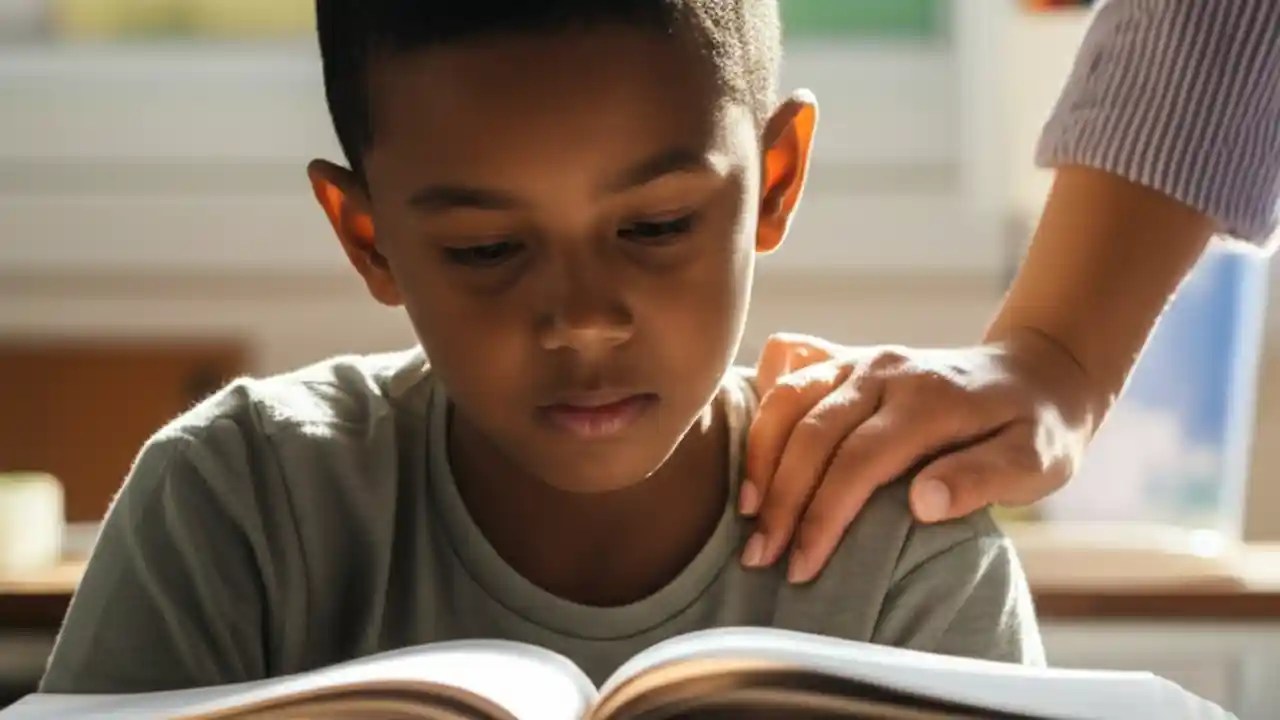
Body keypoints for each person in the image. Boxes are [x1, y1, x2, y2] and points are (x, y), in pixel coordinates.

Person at [39, 0, 1042, 694]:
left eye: (653, 228)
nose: (582, 318)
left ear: (774, 180)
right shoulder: (238, 507)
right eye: (487, 249)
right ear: (368, 238)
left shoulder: (901, 545)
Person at [741, 0, 1280, 584]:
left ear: (775, 180)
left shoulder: (925, 556)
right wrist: (1056, 356)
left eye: (659, 226)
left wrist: (1058, 355)